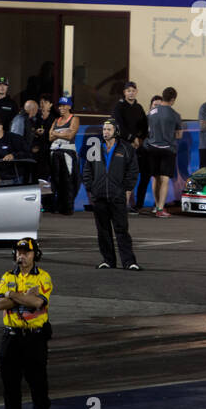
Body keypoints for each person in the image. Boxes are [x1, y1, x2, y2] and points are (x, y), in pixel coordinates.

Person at [0, 237, 52, 409]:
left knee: (37, 381)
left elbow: (37, 303)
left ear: (35, 254)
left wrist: (11, 295)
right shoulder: (7, 276)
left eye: (26, 252)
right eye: (19, 252)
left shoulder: (43, 277)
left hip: (34, 338)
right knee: (10, 385)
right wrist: (23, 296)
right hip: (11, 337)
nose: (22, 256)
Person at [82, 119, 141, 270]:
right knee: (103, 231)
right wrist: (91, 187)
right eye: (104, 129)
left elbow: (133, 170)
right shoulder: (94, 147)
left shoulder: (126, 148)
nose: (105, 132)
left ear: (116, 131)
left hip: (117, 196)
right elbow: (87, 169)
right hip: (99, 196)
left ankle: (129, 262)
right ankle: (108, 261)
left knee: (122, 231)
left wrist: (126, 188)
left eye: (109, 129)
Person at [111, 82, 149, 212]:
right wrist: (132, 138)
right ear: (124, 92)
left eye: (133, 90)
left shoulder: (139, 107)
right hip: (122, 145)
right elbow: (119, 126)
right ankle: (119, 203)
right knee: (121, 174)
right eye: (128, 91)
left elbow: (144, 126)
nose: (131, 93)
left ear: (136, 92)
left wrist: (139, 139)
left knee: (131, 175)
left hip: (136, 147)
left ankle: (126, 204)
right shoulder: (119, 107)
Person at [146, 87, 182, 218]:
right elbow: (178, 135)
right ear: (173, 99)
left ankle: (156, 207)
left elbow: (146, 129)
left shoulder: (152, 112)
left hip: (152, 148)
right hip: (168, 149)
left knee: (155, 177)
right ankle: (161, 208)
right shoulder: (175, 115)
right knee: (164, 179)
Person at [48, 97, 79, 215]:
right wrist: (62, 133)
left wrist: (56, 133)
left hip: (68, 152)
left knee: (68, 180)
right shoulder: (56, 120)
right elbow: (50, 137)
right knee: (55, 180)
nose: (61, 108)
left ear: (69, 106)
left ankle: (67, 207)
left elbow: (70, 136)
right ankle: (56, 206)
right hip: (55, 152)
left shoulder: (74, 119)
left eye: (64, 105)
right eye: (60, 106)